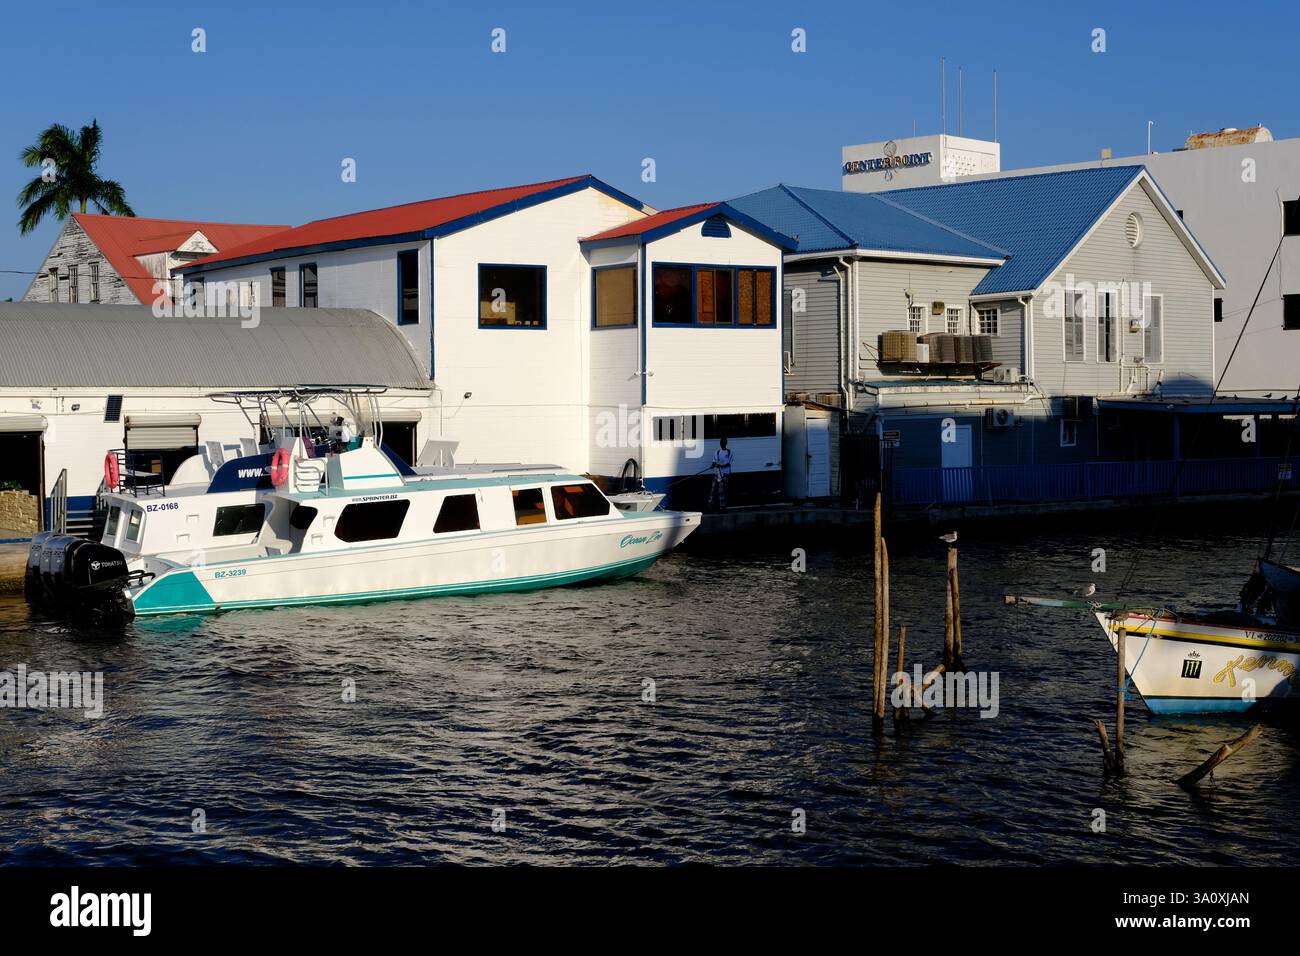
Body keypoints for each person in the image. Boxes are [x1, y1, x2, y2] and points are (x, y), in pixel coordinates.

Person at [708, 437, 733, 512]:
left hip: (725, 475)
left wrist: (720, 466)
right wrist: (712, 465)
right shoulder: (717, 452)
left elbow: (729, 464)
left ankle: (723, 507)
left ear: (726, 443)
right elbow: (714, 461)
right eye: (721, 442)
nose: (722, 444)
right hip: (717, 474)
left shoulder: (729, 452)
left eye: (723, 442)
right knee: (712, 490)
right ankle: (710, 504)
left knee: (721, 491)